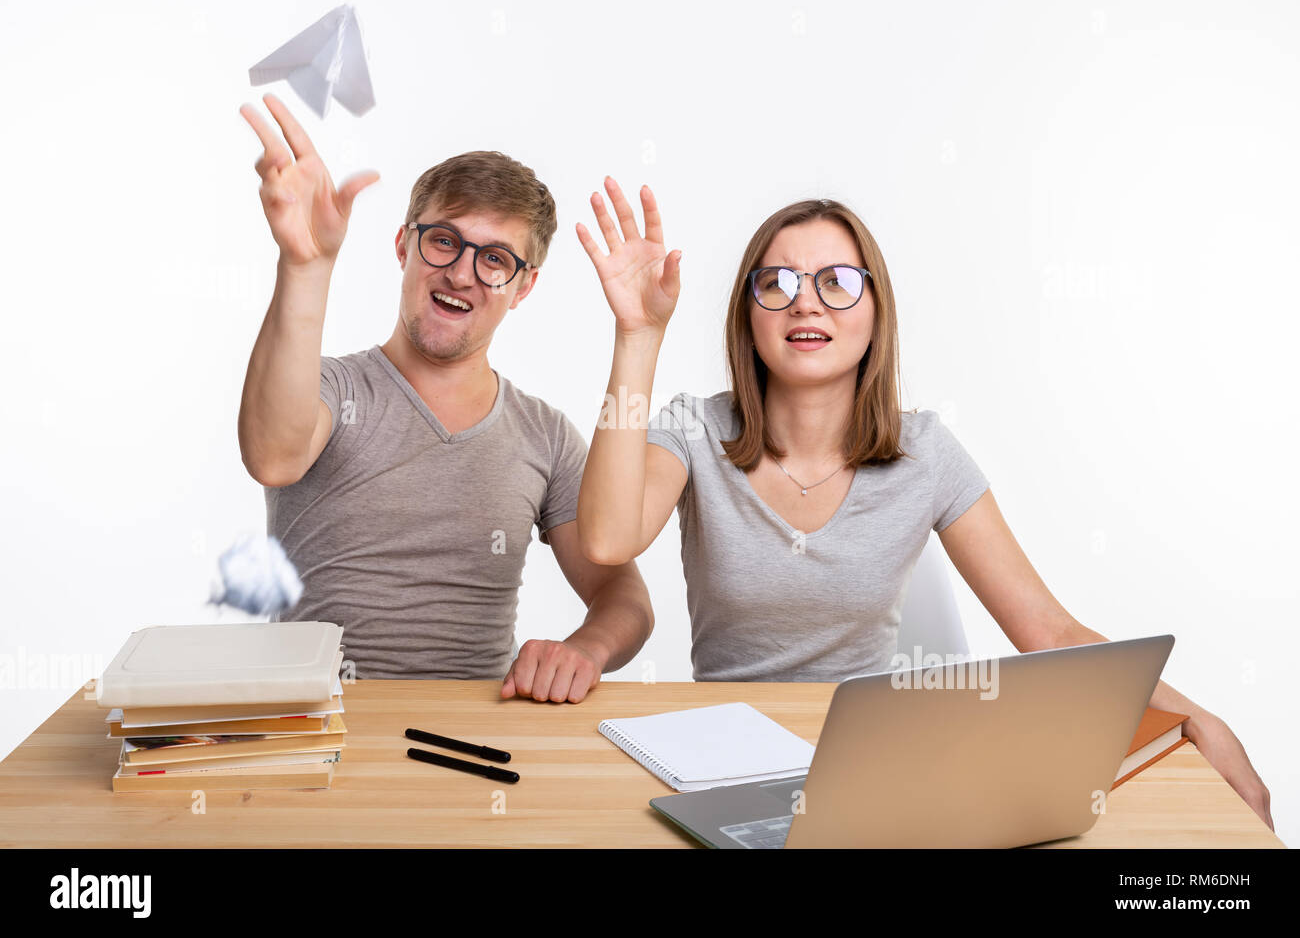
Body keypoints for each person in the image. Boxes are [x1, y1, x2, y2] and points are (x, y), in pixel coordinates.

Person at [573, 177, 1274, 829]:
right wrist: (638, 335)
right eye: (777, 283)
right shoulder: (693, 430)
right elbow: (607, 541)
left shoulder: (926, 452)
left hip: (876, 779)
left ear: (876, 315)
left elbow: (1052, 635)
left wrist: (1200, 718)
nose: (805, 302)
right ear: (747, 314)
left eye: (837, 282)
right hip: (722, 774)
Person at [235, 96, 653, 703]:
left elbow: (625, 596)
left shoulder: (545, 435)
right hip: (319, 729)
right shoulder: (327, 388)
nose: (461, 273)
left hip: (477, 741)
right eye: (444, 242)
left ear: (524, 286)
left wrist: (585, 649)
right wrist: (305, 265)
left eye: (494, 260)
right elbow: (273, 457)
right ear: (404, 246)